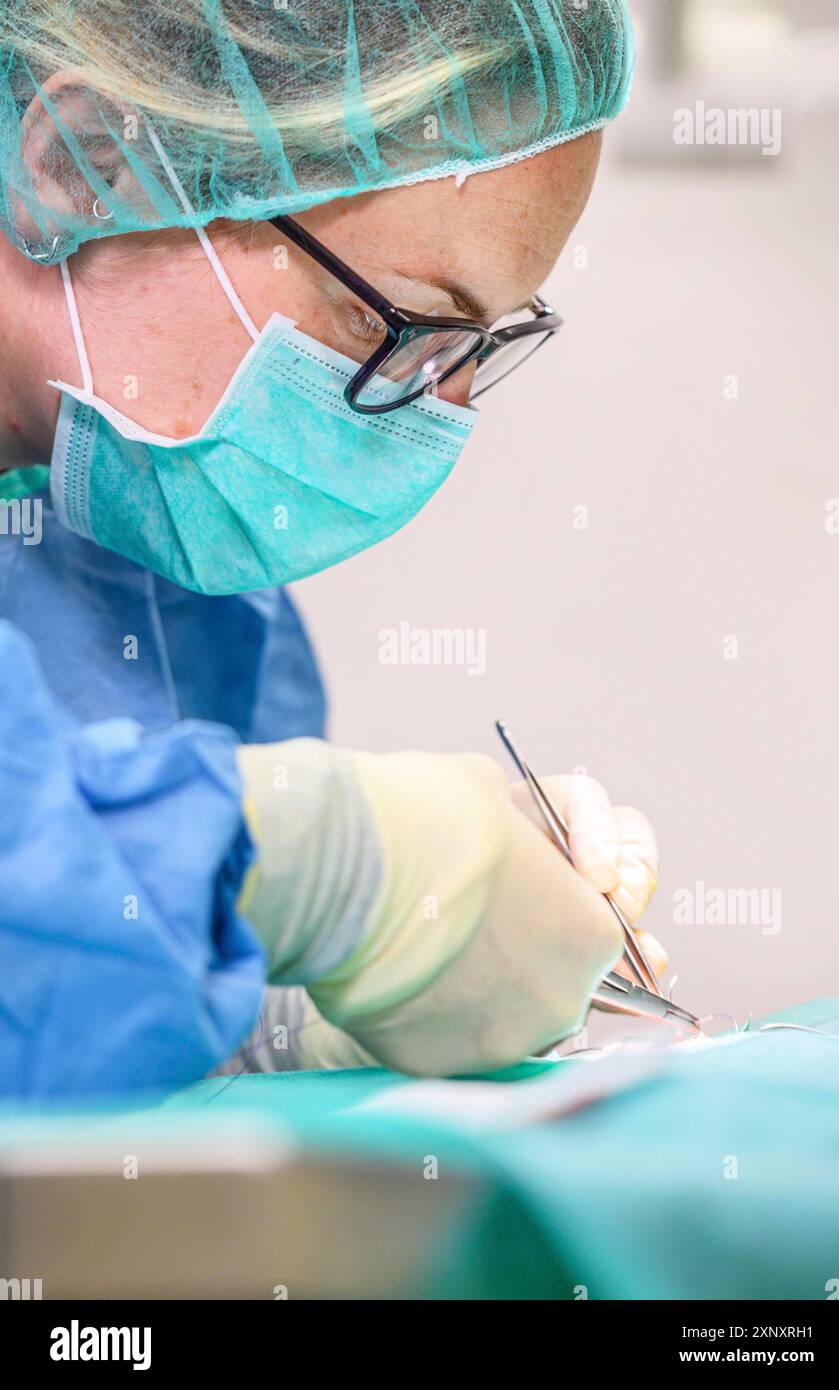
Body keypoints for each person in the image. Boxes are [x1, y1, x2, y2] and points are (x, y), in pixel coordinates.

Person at [0, 0, 664, 1099]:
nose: (434, 412)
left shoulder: (147, 568)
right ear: (86, 163)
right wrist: (335, 862)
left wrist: (289, 1010)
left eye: (478, 348)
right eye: (395, 323)